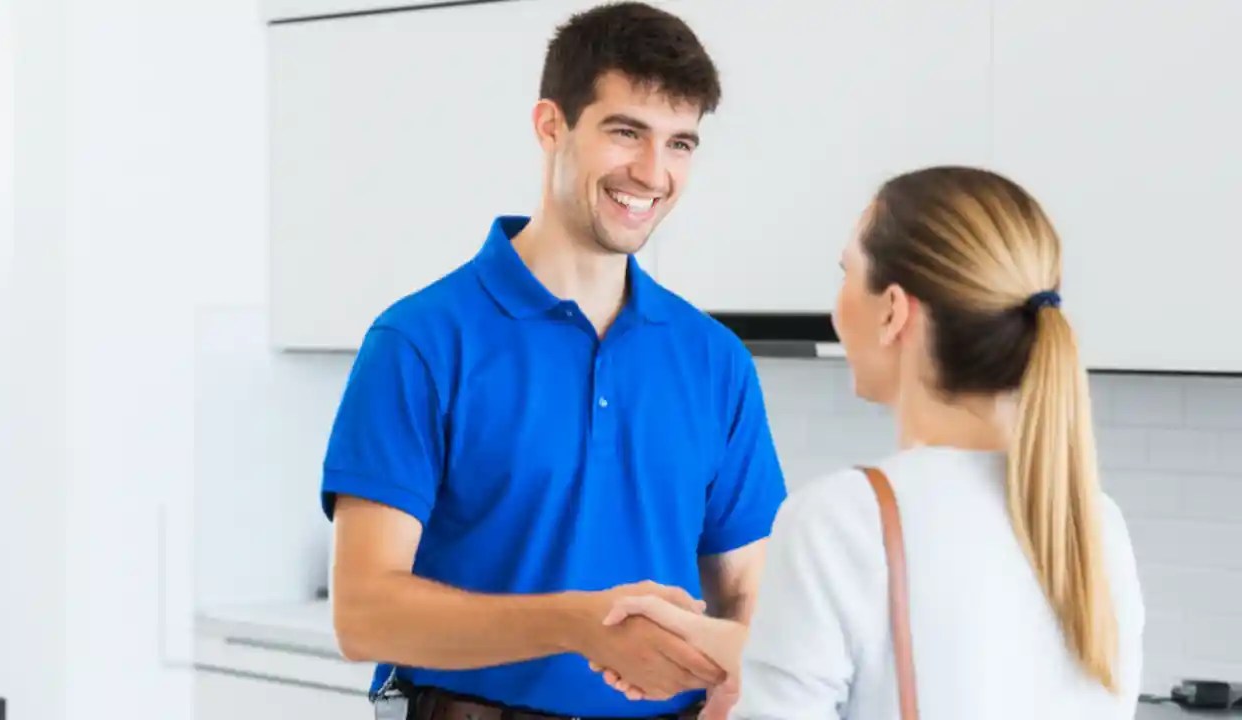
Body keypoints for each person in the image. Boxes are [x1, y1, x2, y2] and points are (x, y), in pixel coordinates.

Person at [319, 3, 788, 719]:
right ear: (551, 126)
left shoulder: (715, 361)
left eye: (681, 143)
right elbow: (363, 614)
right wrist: (577, 623)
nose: (653, 172)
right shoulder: (422, 341)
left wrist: (737, 674)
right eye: (626, 132)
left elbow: (748, 585)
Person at [593, 166, 1146, 719]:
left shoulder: (845, 519)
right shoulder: (1092, 524)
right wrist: (736, 653)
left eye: (846, 274)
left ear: (893, 311)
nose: (837, 307)